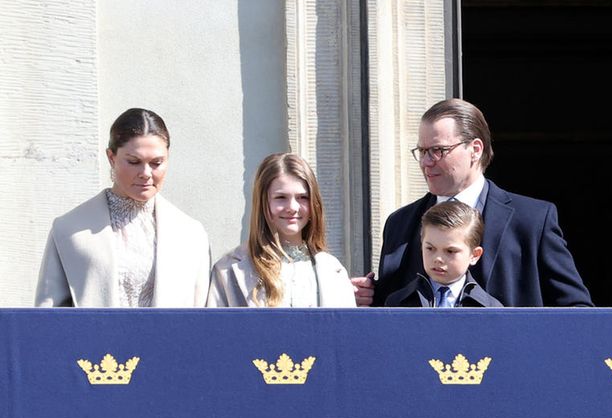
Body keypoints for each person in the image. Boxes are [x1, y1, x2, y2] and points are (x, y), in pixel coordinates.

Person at [356, 98, 591, 308]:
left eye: (438, 150)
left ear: (475, 149)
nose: (426, 162)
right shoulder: (400, 223)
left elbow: (576, 309)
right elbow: (391, 307)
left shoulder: (532, 220)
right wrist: (364, 298)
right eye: (422, 151)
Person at [35, 108, 210, 307]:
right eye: (134, 161)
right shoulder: (68, 229)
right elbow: (47, 319)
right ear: (111, 158)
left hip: (171, 338)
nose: (145, 173)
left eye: (156, 163)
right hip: (93, 338)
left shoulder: (191, 234)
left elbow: (203, 320)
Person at [207, 153, 356, 307]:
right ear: (263, 202)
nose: (292, 207)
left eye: (302, 197)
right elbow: (214, 329)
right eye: (281, 197)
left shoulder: (333, 270)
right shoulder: (228, 270)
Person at [384, 201, 503, 307]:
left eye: (450, 251)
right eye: (430, 248)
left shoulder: (489, 308)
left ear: (474, 255)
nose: (438, 259)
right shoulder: (398, 303)